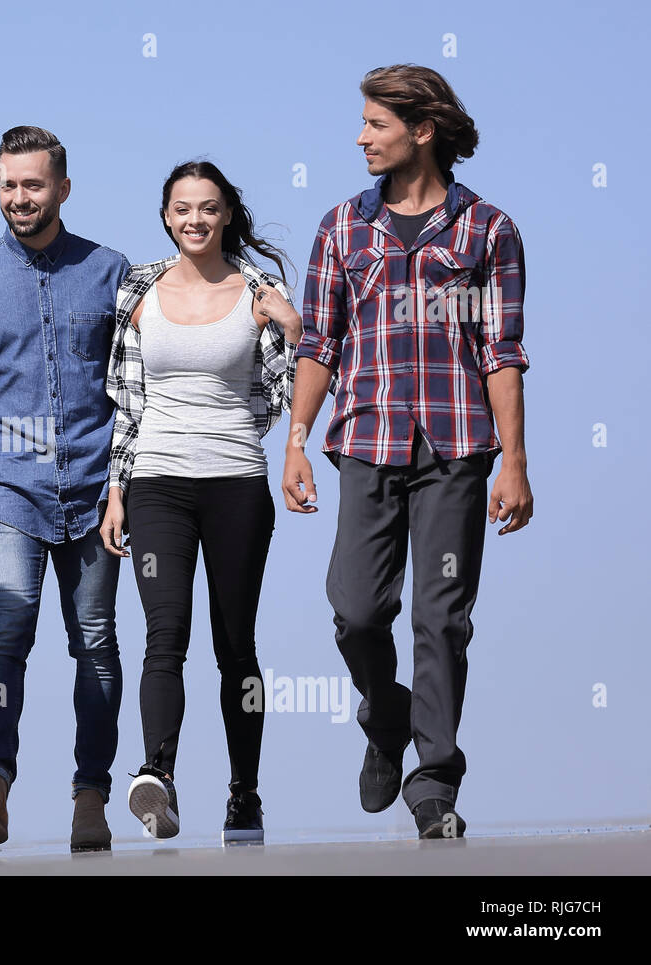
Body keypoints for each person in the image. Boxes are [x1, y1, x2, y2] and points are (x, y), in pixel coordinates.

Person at [283, 64, 533, 839]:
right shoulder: (341, 228)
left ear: (422, 131)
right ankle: (385, 712)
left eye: (375, 123)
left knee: (441, 617)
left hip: (457, 449)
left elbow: (502, 352)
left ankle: (434, 784)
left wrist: (516, 462)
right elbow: (319, 344)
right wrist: (295, 442)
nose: (360, 136)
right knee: (357, 610)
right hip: (366, 441)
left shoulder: (488, 230)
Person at [0, 126, 130, 852]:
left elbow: (136, 384)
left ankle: (91, 794)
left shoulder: (110, 271)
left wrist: (128, 483)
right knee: (7, 627)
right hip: (5, 489)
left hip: (95, 488)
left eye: (33, 185)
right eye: (8, 185)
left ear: (63, 189)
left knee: (95, 640)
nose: (19, 198)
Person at [102, 161, 312, 845]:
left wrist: (295, 330)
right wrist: (115, 489)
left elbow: (293, 394)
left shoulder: (261, 290)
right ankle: (156, 776)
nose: (195, 219)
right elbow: (125, 402)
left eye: (208, 208)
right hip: (156, 481)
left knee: (235, 645)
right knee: (164, 634)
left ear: (226, 215)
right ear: (167, 216)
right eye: (183, 208)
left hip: (236, 482)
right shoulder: (138, 288)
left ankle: (244, 794)